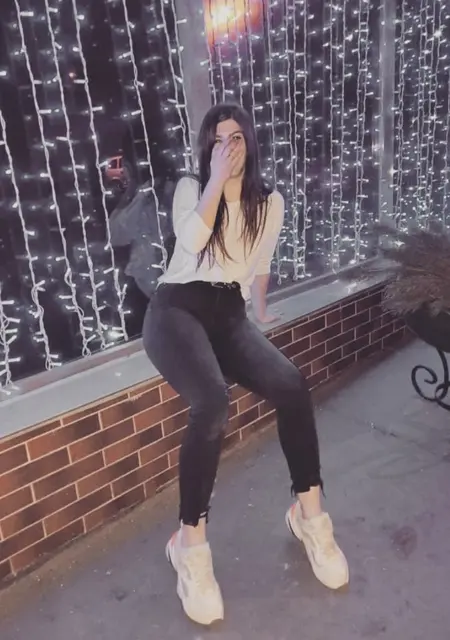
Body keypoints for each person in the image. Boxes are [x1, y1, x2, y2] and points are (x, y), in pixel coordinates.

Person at [142, 103, 349, 626]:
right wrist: (215, 180)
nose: (228, 147)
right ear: (207, 148)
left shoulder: (270, 201)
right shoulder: (192, 188)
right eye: (218, 140)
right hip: (176, 308)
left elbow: (258, 264)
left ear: (250, 142)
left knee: (292, 385)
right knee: (212, 403)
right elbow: (191, 243)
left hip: (228, 314)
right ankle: (189, 546)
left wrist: (259, 310)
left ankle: (310, 516)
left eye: (236, 137)